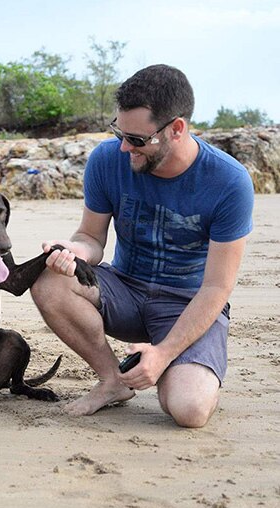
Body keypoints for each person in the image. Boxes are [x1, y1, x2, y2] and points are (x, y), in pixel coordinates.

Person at [30, 64, 254, 428]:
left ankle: (187, 364)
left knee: (190, 409)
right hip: (126, 290)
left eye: (136, 139)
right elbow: (91, 239)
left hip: (187, 303)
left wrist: (163, 354)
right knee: (48, 279)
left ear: (176, 129)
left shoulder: (230, 182)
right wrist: (73, 252)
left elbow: (217, 287)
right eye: (119, 132)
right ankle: (112, 381)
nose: (123, 146)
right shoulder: (107, 159)